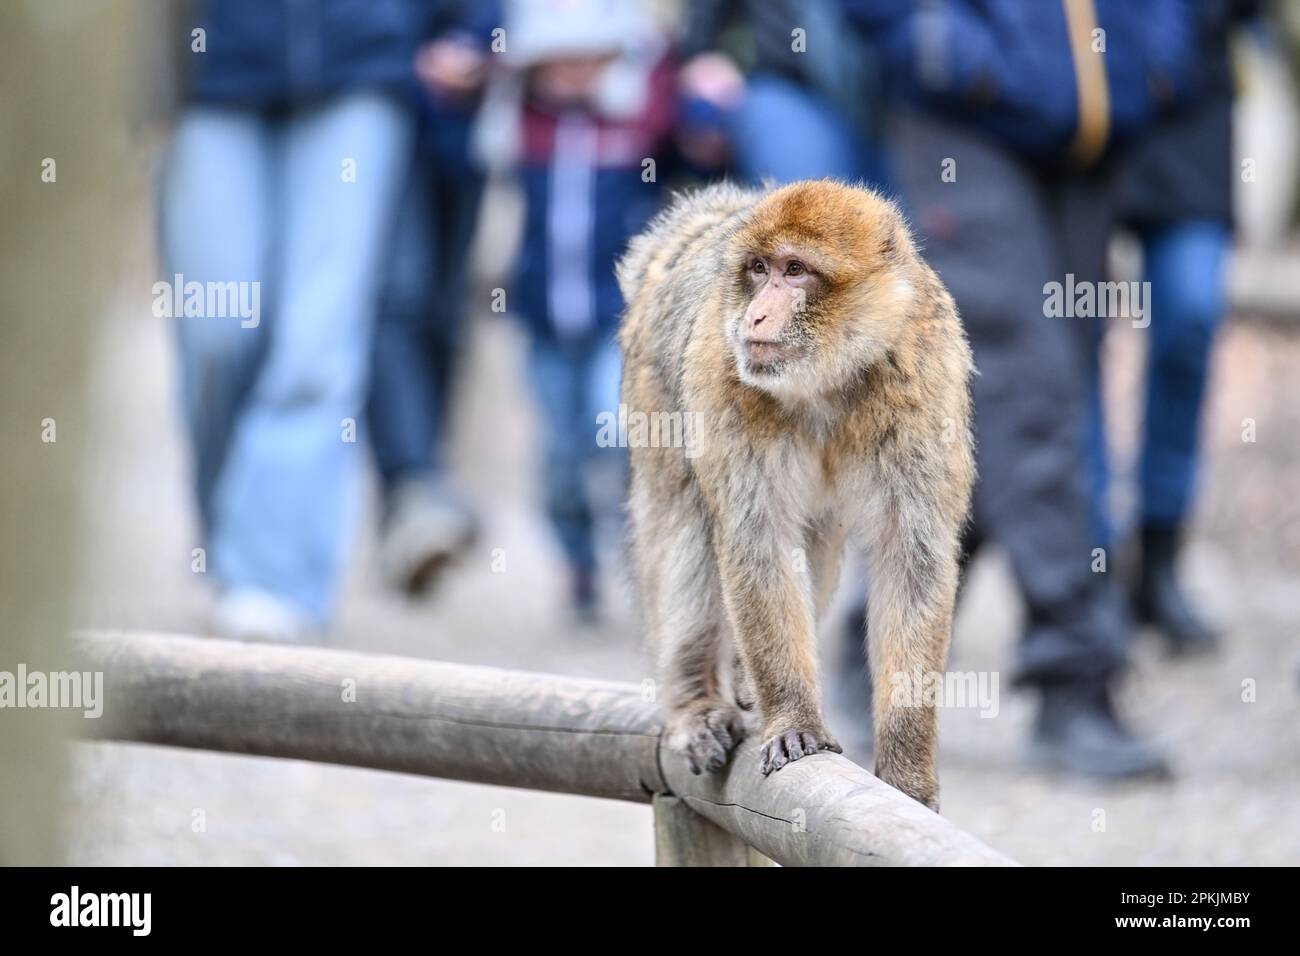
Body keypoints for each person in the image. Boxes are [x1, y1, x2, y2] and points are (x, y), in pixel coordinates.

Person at [848, 0, 1195, 779]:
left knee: (1011, 411)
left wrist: (1151, 65)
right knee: (1027, 394)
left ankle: (867, 646)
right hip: (964, 127)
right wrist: (948, 51)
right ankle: (1072, 679)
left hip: (1092, 136)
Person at [159, 0, 418, 641]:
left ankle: (275, 577)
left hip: (362, 66)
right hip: (207, 66)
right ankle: (230, 540)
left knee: (316, 342)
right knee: (217, 334)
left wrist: (466, 26)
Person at [486, 0, 675, 620]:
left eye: (585, 61)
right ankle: (577, 565)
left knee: (615, 427)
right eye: (554, 64)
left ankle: (640, 550)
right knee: (560, 455)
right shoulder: (522, 126)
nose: (570, 76)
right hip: (543, 320)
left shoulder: (637, 124)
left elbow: (693, 130)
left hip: (615, 320)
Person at [1090, 0, 1264, 655]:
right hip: (1079, 91)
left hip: (1192, 94)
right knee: (1076, 328)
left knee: (1190, 312)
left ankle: (1160, 553)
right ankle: (1094, 560)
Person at [367, 5, 499, 598]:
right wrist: (406, 57)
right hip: (378, 96)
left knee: (445, 313)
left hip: (464, 122)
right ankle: (412, 483)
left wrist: (479, 43)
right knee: (399, 296)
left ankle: (424, 485)